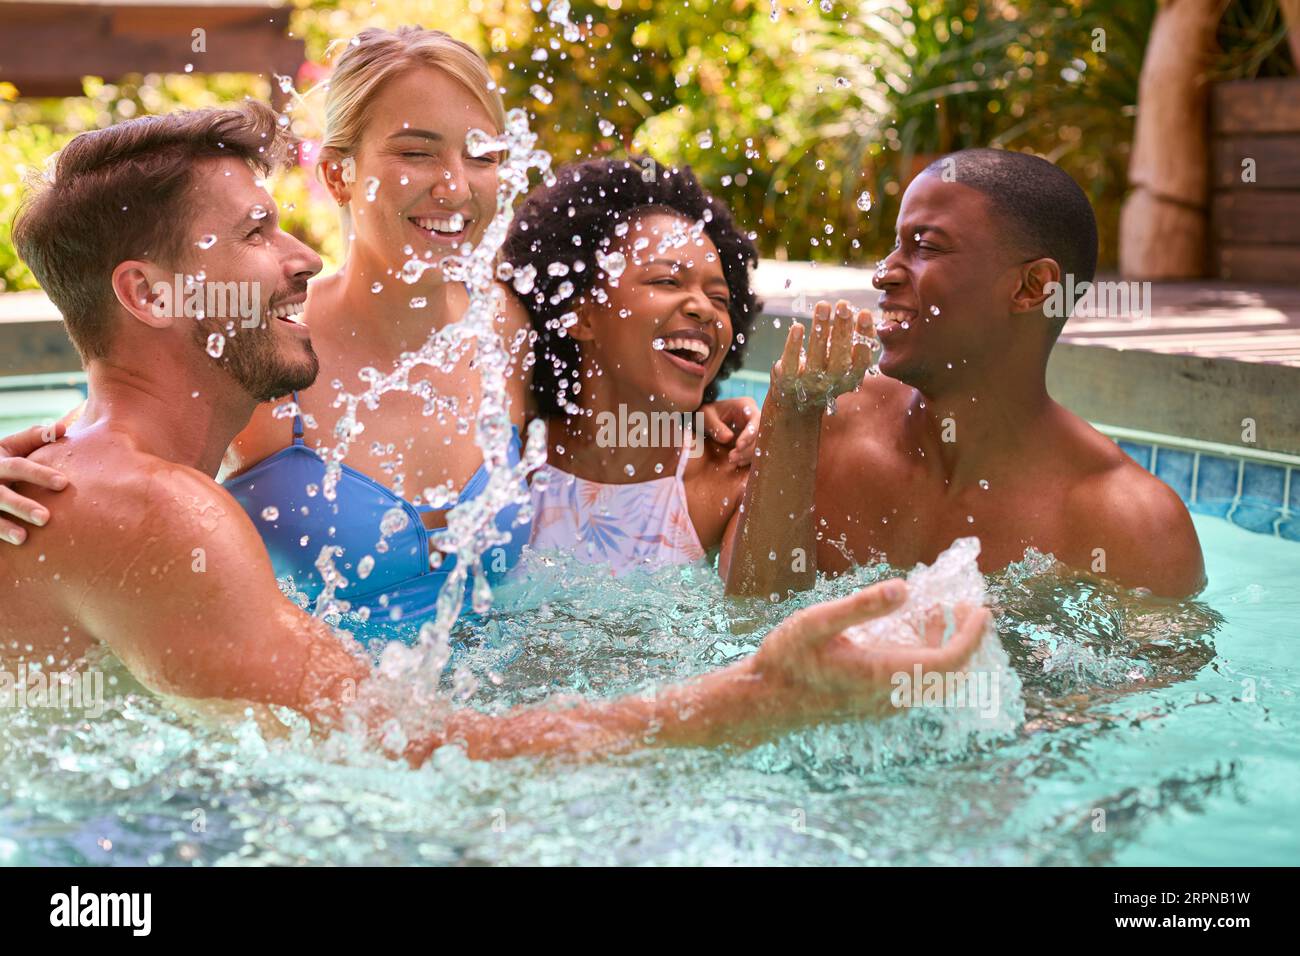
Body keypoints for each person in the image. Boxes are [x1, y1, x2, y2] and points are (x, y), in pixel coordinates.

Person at [0, 104, 989, 765]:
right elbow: (422, 748)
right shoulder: (155, 510)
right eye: (257, 231)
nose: (302, 255)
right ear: (148, 292)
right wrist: (768, 695)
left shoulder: (87, 474)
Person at [220, 27, 756, 627]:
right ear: (338, 173)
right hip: (304, 714)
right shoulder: (259, 345)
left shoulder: (506, 325)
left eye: (482, 156)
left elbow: (589, 444)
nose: (456, 186)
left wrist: (691, 418)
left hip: (502, 699)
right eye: (417, 152)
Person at [724, 149, 1205, 600]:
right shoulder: (822, 421)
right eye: (895, 246)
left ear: (1031, 287)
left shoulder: (1131, 525)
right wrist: (790, 418)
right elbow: (750, 621)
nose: (884, 274)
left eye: (926, 248)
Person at [503, 158, 761, 574]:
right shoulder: (507, 464)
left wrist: (789, 430)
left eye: (719, 298)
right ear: (580, 315)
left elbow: (761, 619)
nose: (703, 310)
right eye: (667, 281)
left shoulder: (725, 482)